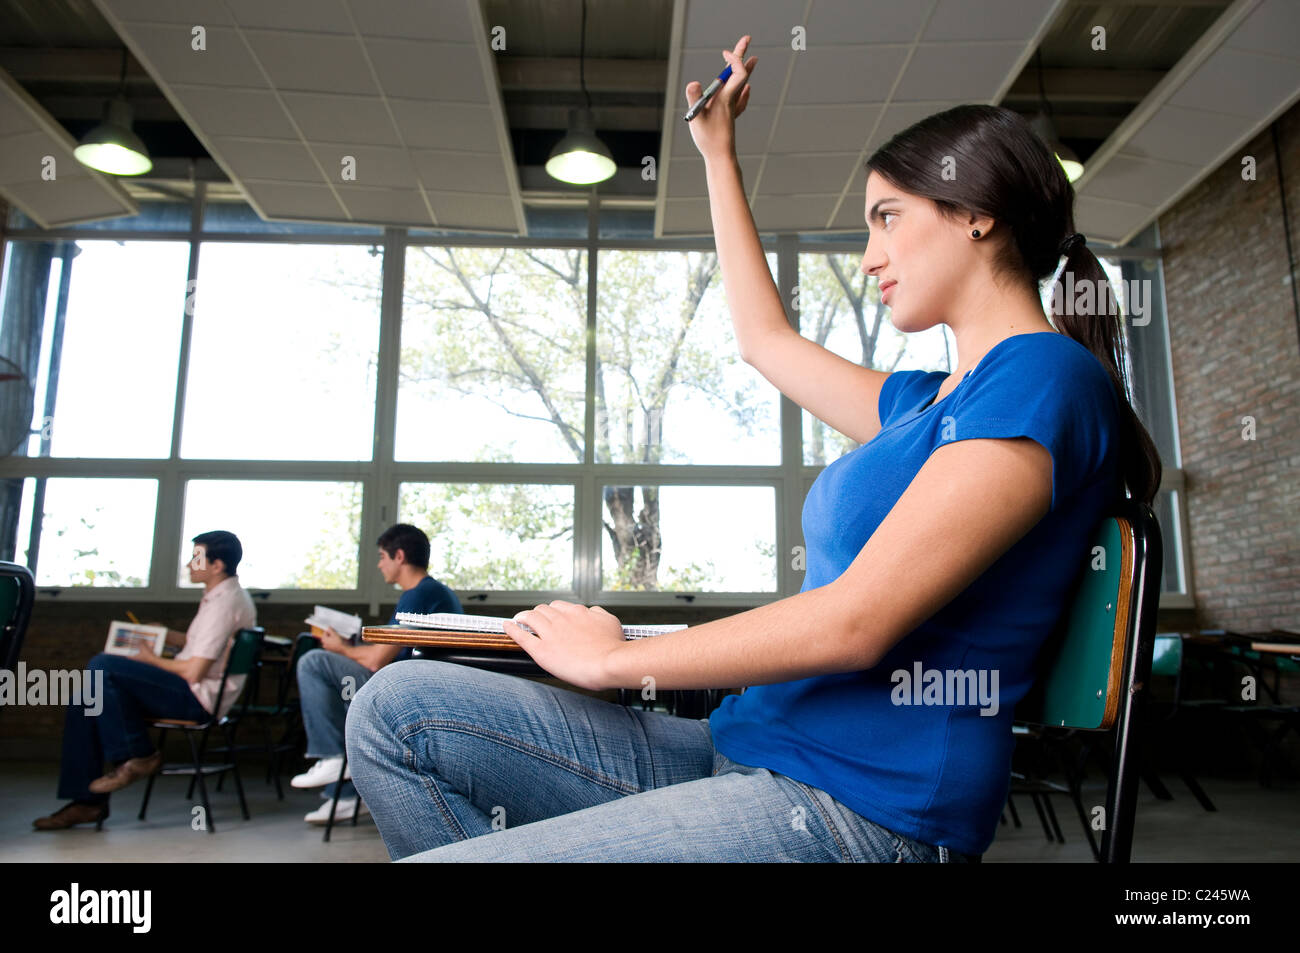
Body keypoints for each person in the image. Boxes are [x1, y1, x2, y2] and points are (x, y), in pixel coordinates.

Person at [344, 35, 1163, 862]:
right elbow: (764, 341)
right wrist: (716, 154)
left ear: (977, 212)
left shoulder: (1042, 375)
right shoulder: (923, 399)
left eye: (888, 217)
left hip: (861, 807)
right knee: (393, 710)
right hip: (745, 750)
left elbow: (857, 622)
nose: (870, 254)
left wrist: (618, 658)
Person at [33, 530, 256, 830]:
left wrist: (150, 659)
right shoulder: (223, 596)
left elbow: (194, 671)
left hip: (195, 698)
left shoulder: (224, 604)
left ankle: (138, 754)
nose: (190, 565)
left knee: (102, 665)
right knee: (86, 697)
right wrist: (163, 635)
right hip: (192, 690)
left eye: (196, 558)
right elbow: (200, 647)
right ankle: (86, 804)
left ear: (217, 565)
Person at [290, 523, 462, 824]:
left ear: (399, 556)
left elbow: (375, 661)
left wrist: (340, 648)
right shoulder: (431, 592)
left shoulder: (418, 595)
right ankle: (346, 794)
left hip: (408, 693)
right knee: (343, 692)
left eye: (382, 556)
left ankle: (332, 759)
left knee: (314, 662)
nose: (379, 564)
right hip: (415, 685)